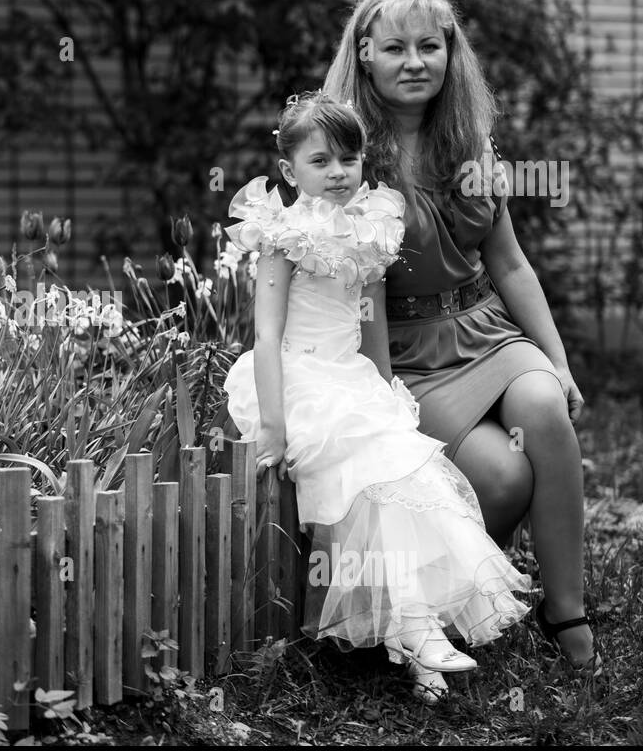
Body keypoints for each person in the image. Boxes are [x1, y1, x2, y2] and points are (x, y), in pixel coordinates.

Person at [322, 0, 598, 671]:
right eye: (395, 48)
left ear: (451, 54)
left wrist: (557, 361)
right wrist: (383, 397)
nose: (414, 61)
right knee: (503, 479)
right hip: (409, 353)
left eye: (429, 46)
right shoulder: (348, 160)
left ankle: (566, 609)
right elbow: (360, 296)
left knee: (542, 405)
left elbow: (509, 266)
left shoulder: (469, 143)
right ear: (366, 56)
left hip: (484, 330)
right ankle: (449, 598)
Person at [222, 91, 531, 703]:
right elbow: (265, 335)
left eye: (349, 158)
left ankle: (421, 644)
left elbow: (369, 323)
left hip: (352, 379)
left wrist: (387, 389)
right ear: (289, 171)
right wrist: (276, 428)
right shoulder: (280, 236)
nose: (338, 173)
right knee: (373, 478)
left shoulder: (370, 227)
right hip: (298, 382)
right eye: (320, 161)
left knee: (412, 482)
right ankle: (418, 635)